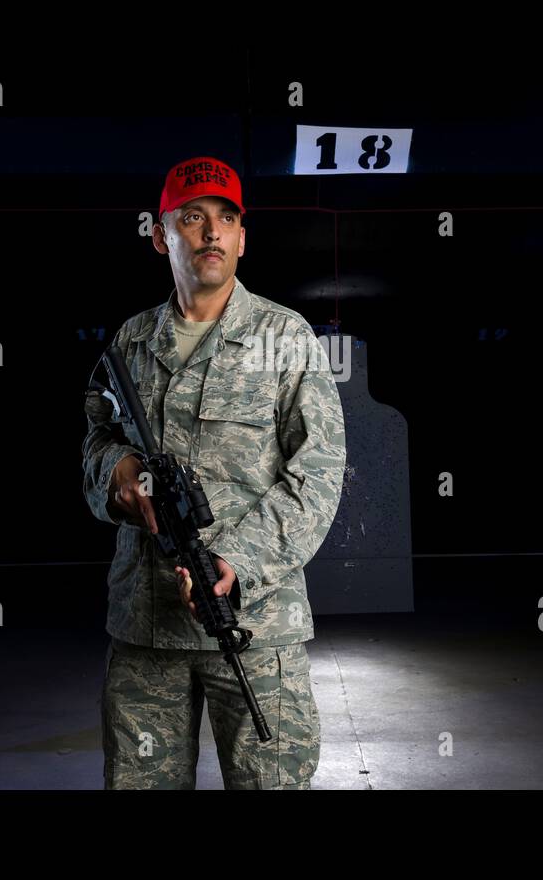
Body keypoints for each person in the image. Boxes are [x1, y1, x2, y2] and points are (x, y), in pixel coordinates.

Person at [83, 155, 347, 789]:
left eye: (226, 219)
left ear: (242, 237)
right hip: (146, 628)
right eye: (193, 217)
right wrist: (115, 471)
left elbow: (320, 471)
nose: (211, 233)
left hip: (256, 628)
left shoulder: (284, 337)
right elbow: (96, 437)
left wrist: (239, 561)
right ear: (160, 234)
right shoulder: (130, 343)